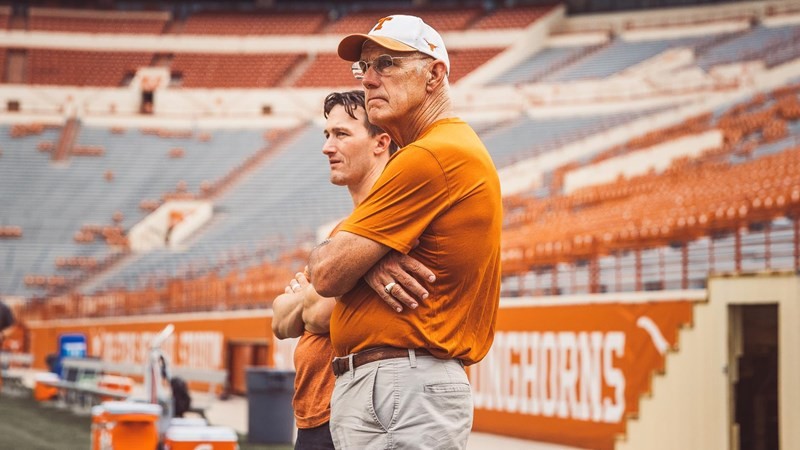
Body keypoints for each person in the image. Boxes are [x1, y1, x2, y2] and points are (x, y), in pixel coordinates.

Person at [307, 14, 503, 450]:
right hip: (401, 385)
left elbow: (326, 273)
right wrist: (367, 260)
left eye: (387, 65)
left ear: (434, 75)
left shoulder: (432, 155)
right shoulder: (432, 151)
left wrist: (356, 261)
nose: (369, 79)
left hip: (402, 384)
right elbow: (333, 266)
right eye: (364, 67)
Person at [272, 90, 398, 450]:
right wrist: (308, 299)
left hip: (348, 415)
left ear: (381, 142)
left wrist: (305, 297)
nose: (328, 147)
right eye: (326, 135)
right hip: (315, 415)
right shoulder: (343, 231)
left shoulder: (386, 221)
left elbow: (320, 313)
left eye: (341, 134)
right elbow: (280, 321)